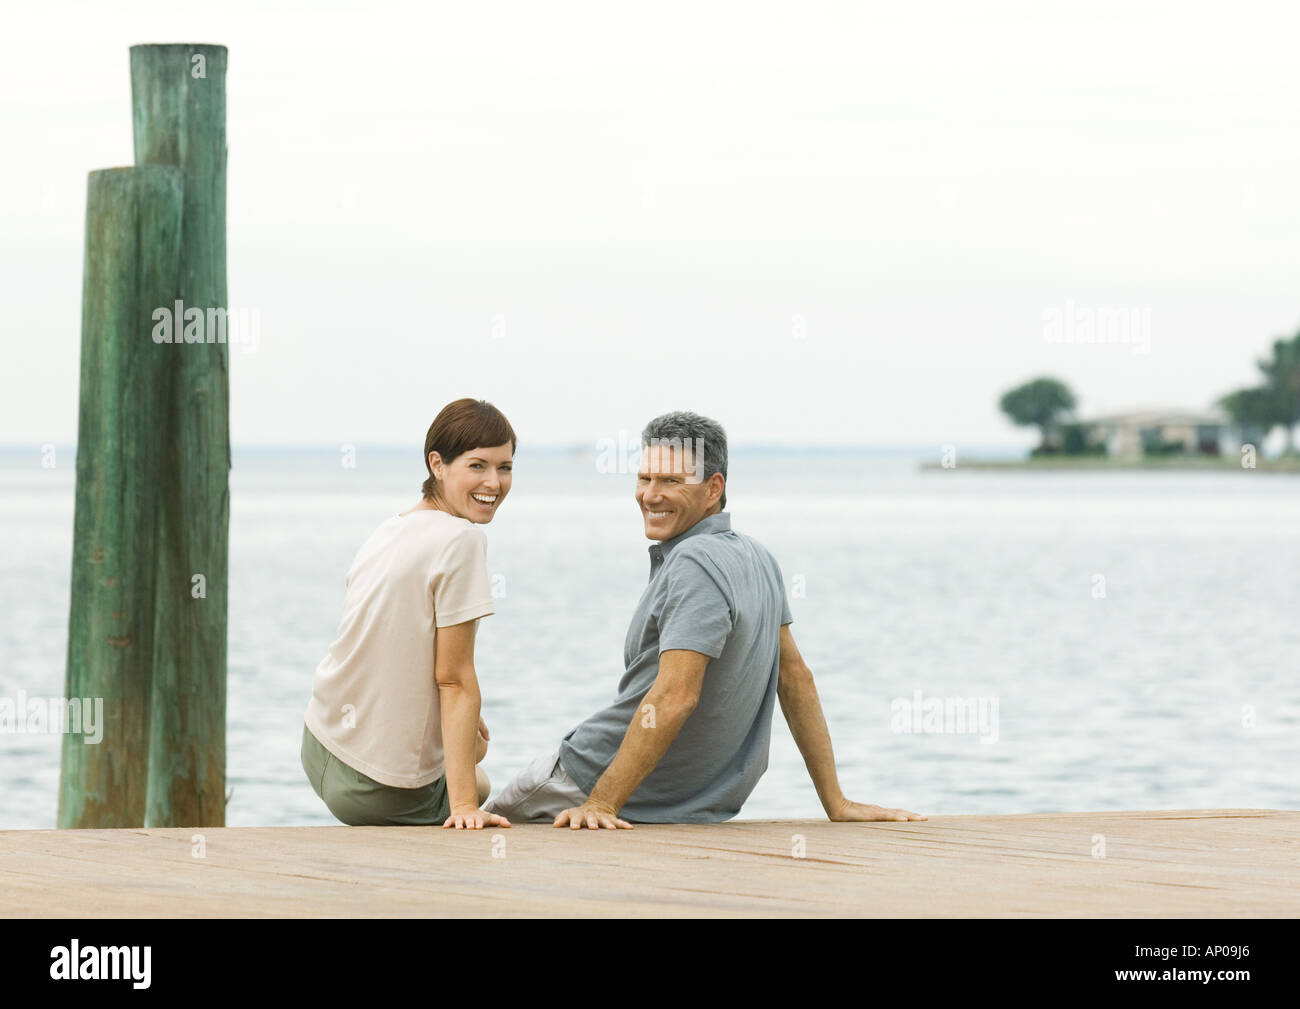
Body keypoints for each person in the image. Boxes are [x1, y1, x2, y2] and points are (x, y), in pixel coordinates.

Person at [484, 410, 925, 829]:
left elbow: (676, 696)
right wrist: (836, 802)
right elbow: (795, 678)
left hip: (582, 781)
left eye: (671, 481)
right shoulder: (756, 555)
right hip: (681, 802)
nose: (650, 494)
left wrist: (602, 802)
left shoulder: (695, 560)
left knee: (469, 837)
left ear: (713, 488)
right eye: (644, 478)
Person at [301, 398, 515, 830]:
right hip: (376, 789)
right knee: (481, 780)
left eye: (505, 467)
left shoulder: (390, 528)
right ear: (437, 464)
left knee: (467, 744)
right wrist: (465, 809)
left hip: (320, 745)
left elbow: (388, 642)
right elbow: (453, 678)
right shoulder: (461, 540)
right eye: (478, 466)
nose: (494, 482)